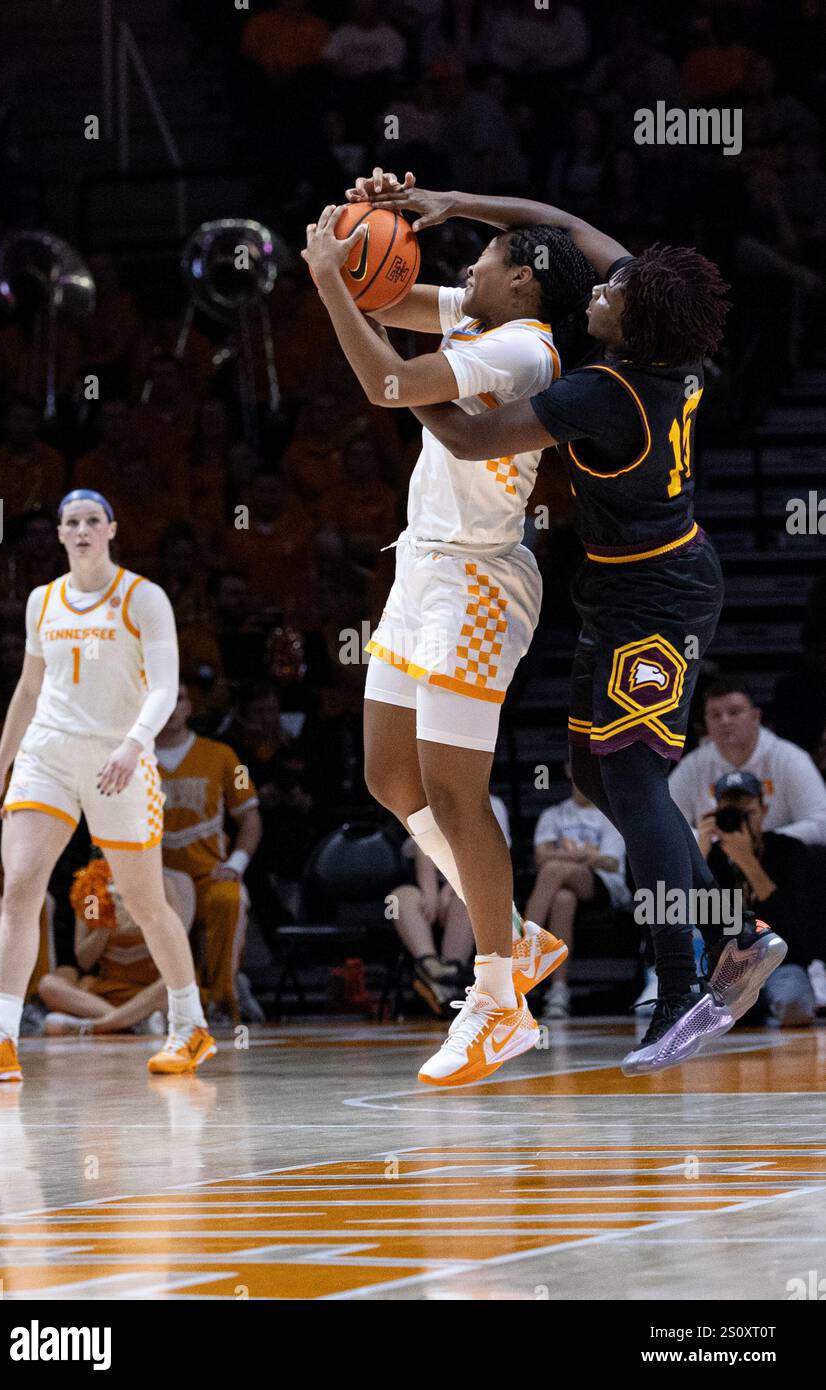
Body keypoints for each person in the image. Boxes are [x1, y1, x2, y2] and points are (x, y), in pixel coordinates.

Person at [365, 172, 786, 1074]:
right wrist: (450, 204)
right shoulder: (651, 334)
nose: (601, 287)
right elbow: (563, 221)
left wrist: (399, 383)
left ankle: (689, 979)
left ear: (632, 326)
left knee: (631, 782)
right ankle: (728, 931)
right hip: (627, 588)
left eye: (612, 293)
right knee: (598, 776)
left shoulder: (611, 393)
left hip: (659, 600)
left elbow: (472, 438)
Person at [303, 173, 596, 1087]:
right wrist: (368, 223)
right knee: (389, 778)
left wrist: (326, 285)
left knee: (456, 795)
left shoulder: (522, 352)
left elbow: (390, 377)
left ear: (525, 284)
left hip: (477, 582)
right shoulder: (481, 321)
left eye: (488, 256)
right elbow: (383, 293)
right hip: (421, 567)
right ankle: (516, 936)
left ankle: (496, 1000)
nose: (470, 262)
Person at [0, 489, 215, 1082]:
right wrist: (0, 769)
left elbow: (163, 686)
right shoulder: (42, 601)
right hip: (48, 755)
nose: (81, 530)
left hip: (117, 759)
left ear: (111, 530)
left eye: (91, 521)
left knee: (146, 901)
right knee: (22, 886)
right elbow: (27, 690)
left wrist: (134, 743)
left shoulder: (142, 597)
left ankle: (190, 1025)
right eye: (70, 522)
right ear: (59, 535)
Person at [156, 681, 263, 1022]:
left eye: (180, 698)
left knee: (230, 898)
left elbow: (250, 817)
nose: (172, 706)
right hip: (156, 881)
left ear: (190, 707)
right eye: (163, 699)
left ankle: (223, 997)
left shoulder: (223, 755)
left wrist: (237, 863)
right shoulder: (132, 758)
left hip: (208, 873)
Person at [37, 853, 194, 1036]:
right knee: (49, 985)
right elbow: (84, 961)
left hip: (150, 990)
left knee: (174, 982)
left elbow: (176, 955)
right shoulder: (92, 893)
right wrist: (106, 925)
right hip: (106, 991)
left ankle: (98, 1025)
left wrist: (144, 918)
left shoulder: (163, 886)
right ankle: (132, 1022)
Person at [700, 772, 808, 1027]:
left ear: (764, 809)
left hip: (782, 964)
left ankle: (758, 1011)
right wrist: (699, 857)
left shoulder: (790, 851)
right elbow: (694, 917)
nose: (738, 822)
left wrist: (747, 861)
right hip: (727, 969)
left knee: (795, 1006)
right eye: (729, 813)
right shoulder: (710, 859)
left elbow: (794, 927)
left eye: (746, 814)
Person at [393, 794, 514, 1016]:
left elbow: (487, 855)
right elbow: (423, 847)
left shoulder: (491, 803)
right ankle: (431, 967)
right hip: (428, 883)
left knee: (467, 897)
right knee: (401, 897)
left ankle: (448, 980)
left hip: (471, 878)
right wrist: (430, 893)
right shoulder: (419, 799)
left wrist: (453, 886)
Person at [670, 677, 826, 847]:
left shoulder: (790, 759)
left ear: (755, 716)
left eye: (734, 712)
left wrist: (761, 841)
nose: (725, 721)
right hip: (713, 861)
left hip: (776, 862)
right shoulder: (691, 766)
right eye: (715, 715)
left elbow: (821, 824)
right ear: (706, 723)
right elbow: (666, 826)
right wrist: (717, 842)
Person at [527, 769, 630, 1019]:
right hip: (566, 888)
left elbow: (610, 863)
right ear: (568, 769)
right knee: (563, 899)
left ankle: (520, 952)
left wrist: (564, 855)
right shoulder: (554, 814)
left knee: (554, 869)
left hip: (605, 888)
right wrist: (585, 854)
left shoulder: (610, 813)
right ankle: (559, 992)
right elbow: (539, 857)